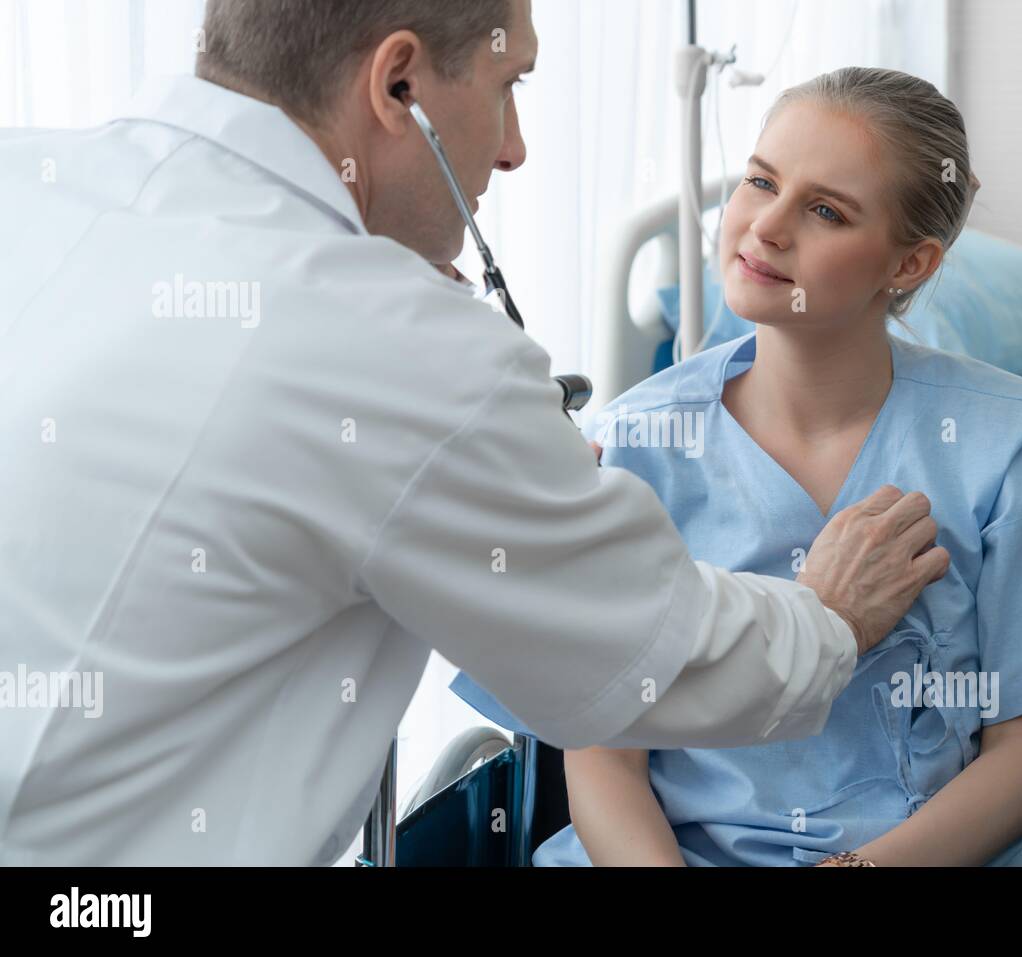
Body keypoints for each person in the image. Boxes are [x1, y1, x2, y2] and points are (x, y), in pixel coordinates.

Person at [0, 3, 945, 864]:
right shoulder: (399, 344)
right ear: (398, 84)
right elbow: (650, 661)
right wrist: (825, 615)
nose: (516, 149)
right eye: (510, 89)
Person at [529, 68, 1022, 867]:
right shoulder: (642, 438)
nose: (764, 227)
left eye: (824, 210)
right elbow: (603, 751)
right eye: (759, 181)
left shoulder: (1014, 445)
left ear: (909, 265)